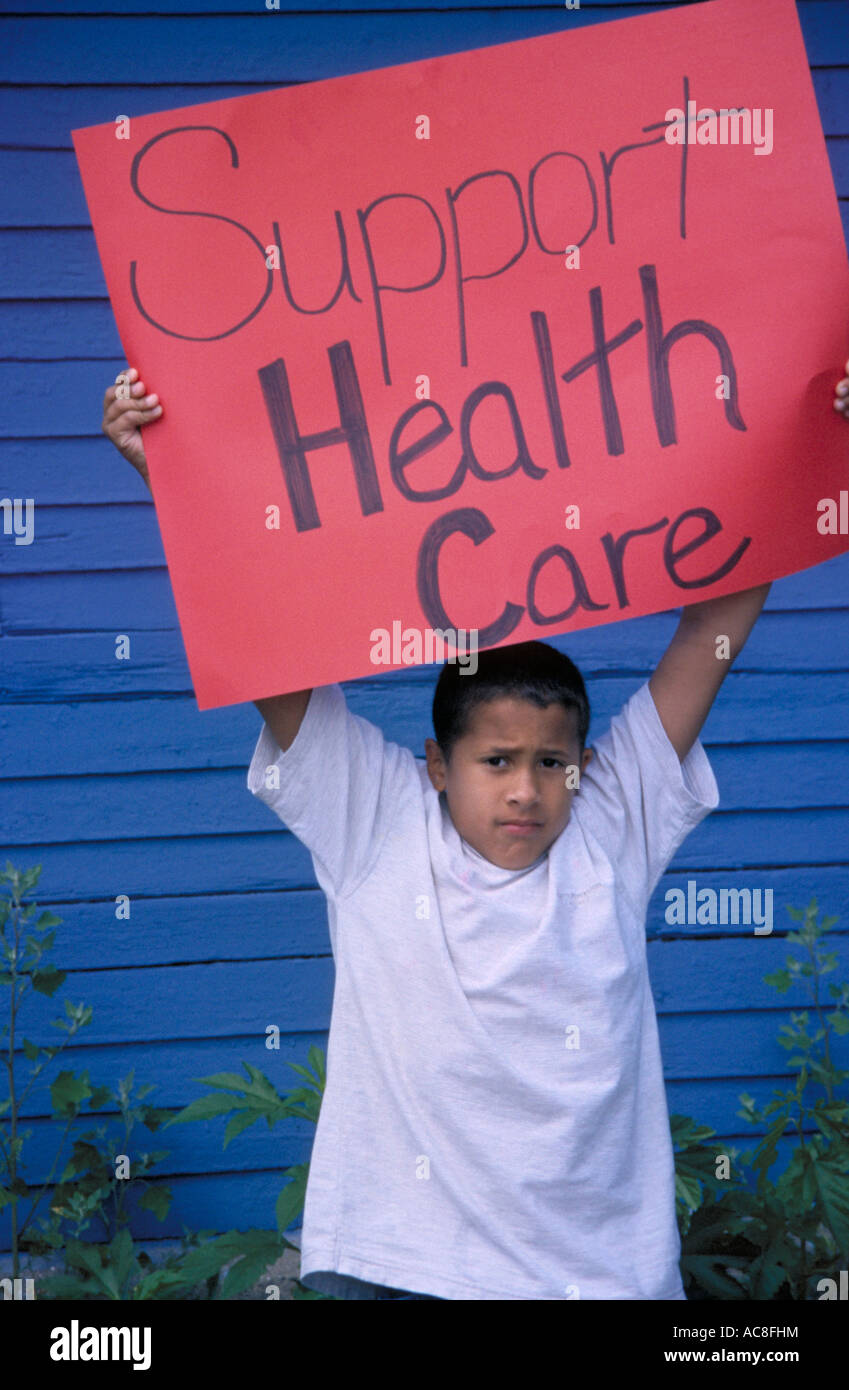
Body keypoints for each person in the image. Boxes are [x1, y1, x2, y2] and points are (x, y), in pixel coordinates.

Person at [102, 362, 849, 1300]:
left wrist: (817, 441)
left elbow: (714, 630)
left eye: (551, 761)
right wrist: (165, 469)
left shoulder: (610, 826)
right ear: (434, 766)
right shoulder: (374, 822)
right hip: (394, 1266)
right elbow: (259, 632)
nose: (527, 791)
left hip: (594, 1276)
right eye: (495, 762)